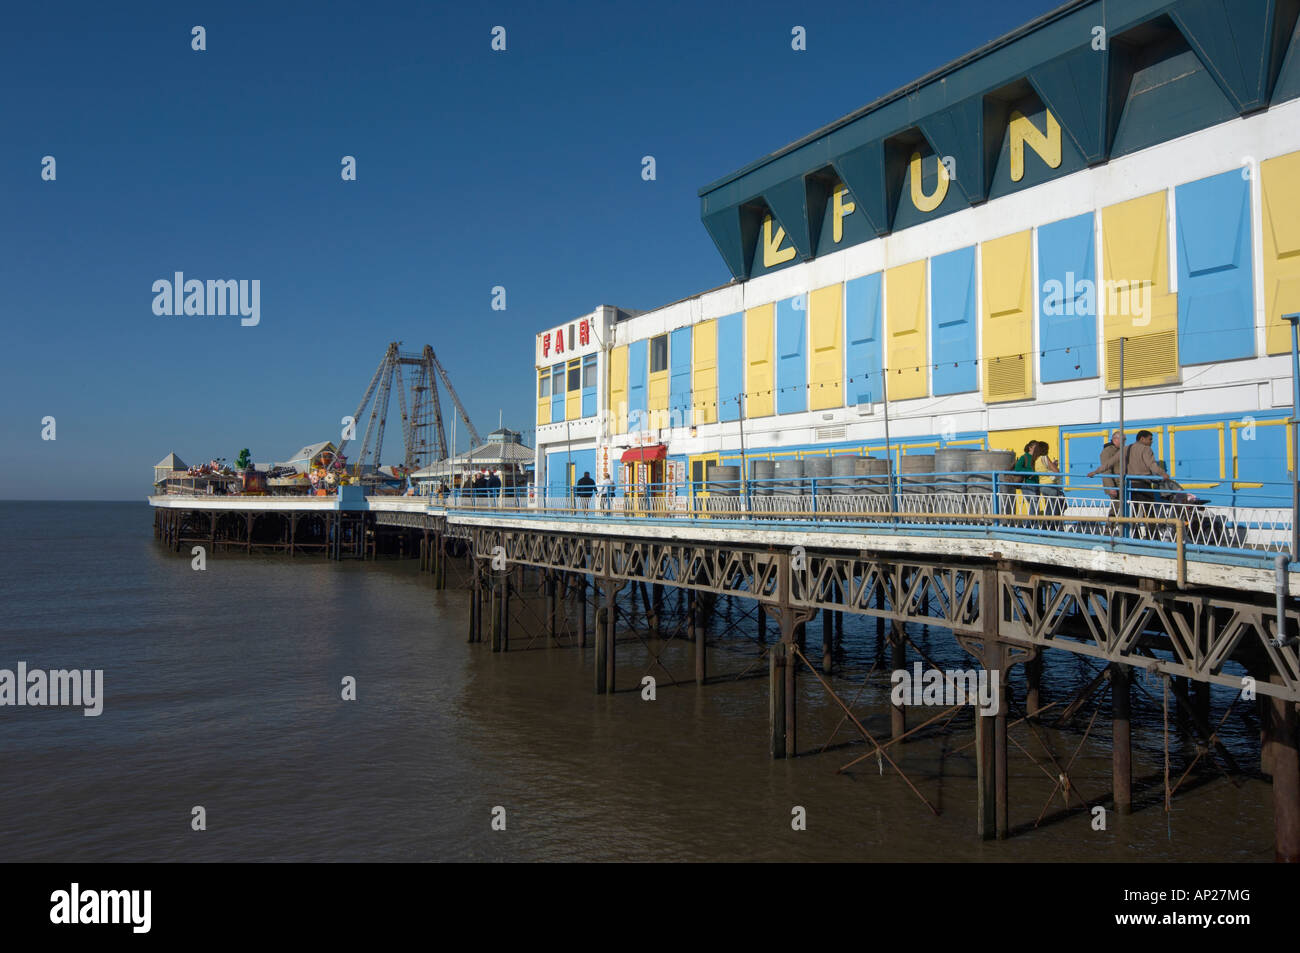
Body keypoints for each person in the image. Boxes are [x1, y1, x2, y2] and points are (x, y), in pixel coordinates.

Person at [1125, 430, 1170, 537]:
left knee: (1135, 511)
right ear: (1142, 439)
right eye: (1150, 439)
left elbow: (1112, 461)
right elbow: (1152, 465)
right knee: (1149, 510)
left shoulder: (1127, 448)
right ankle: (1153, 535)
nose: (1151, 442)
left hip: (1131, 484)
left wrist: (1096, 471)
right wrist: (1163, 474)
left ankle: (1134, 534)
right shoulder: (1146, 449)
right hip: (1144, 484)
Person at [1087, 431, 1123, 503]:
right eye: (1123, 439)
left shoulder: (1119, 450)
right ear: (1115, 439)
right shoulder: (1108, 451)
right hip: (1115, 484)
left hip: (1120, 483)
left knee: (1119, 508)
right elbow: (1106, 470)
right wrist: (1111, 487)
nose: (1124, 442)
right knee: (1118, 507)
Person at [1034, 441, 1064, 522]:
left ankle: (1046, 526)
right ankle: (1052, 527)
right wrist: (1054, 465)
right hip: (1050, 486)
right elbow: (1056, 471)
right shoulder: (1044, 457)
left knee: (1048, 507)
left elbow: (1044, 470)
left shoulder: (1036, 460)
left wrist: (1052, 465)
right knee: (1055, 509)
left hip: (1042, 486)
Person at [1012, 441, 1040, 522]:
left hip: (1036, 484)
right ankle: (1030, 525)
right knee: (1034, 504)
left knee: (1035, 505)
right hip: (1027, 484)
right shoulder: (1024, 457)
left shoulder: (1038, 457)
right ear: (1030, 448)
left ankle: (1031, 525)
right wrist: (1030, 471)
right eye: (1036, 447)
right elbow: (1017, 468)